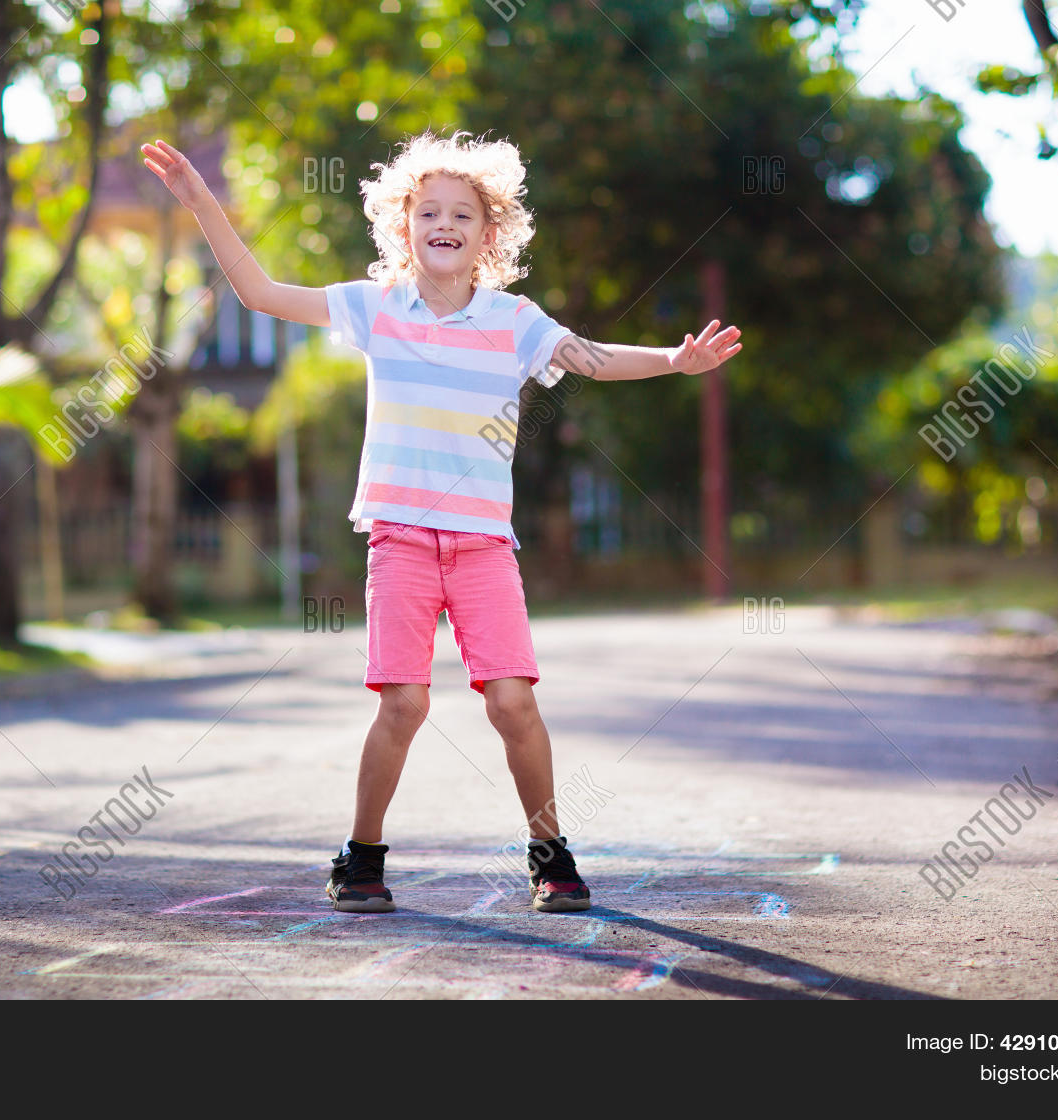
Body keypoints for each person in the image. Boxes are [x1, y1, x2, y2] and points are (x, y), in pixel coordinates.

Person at [141, 130, 741, 914]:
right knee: (404, 703)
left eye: (462, 214)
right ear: (405, 228)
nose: (445, 225)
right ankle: (360, 857)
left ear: (489, 235)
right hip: (399, 538)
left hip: (484, 543)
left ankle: (550, 853)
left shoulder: (514, 320)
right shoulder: (375, 308)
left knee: (512, 702)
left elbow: (591, 357)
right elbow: (260, 292)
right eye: (429, 213)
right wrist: (199, 202)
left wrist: (674, 360)